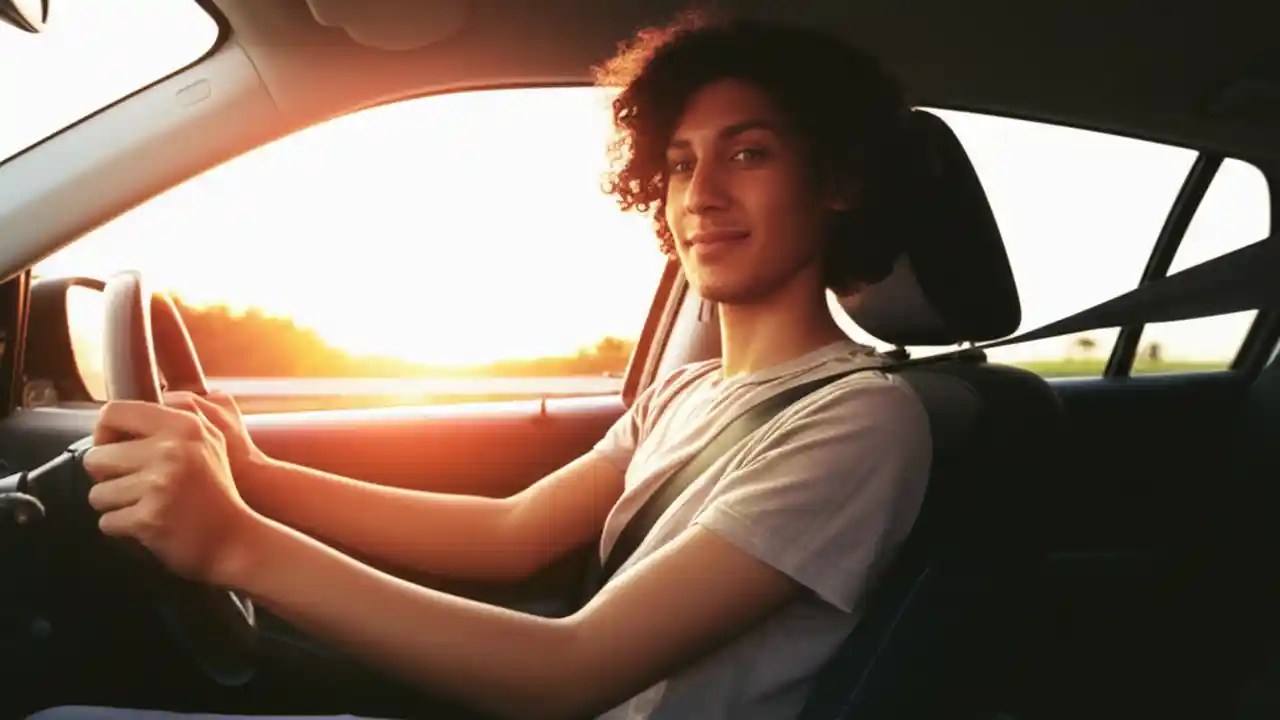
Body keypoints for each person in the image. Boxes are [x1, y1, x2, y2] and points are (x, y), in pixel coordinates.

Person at [36, 11, 931, 720]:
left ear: (838, 179)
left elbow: (567, 674)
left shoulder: (859, 421)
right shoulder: (690, 391)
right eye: (679, 163)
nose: (701, 194)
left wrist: (234, 542)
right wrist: (259, 479)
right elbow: (508, 535)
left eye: (749, 152)